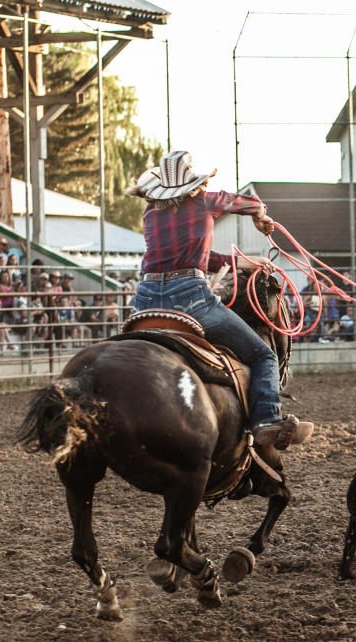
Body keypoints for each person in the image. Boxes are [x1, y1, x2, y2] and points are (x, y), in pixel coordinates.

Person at [128, 150, 311, 449]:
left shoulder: (150, 212)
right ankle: (266, 420)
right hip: (190, 299)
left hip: (146, 300)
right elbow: (246, 201)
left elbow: (199, 257)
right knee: (263, 355)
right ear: (194, 184)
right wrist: (261, 215)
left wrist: (243, 263)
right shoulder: (202, 202)